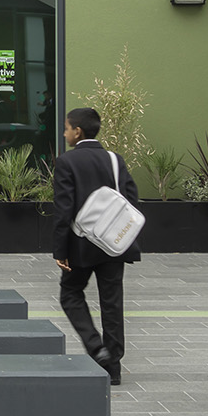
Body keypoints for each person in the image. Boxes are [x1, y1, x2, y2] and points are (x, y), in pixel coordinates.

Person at [52, 105, 141, 386]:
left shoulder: (67, 162)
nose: (64, 132)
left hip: (81, 246)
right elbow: (131, 199)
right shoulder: (115, 160)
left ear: (77, 131)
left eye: (66, 128)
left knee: (70, 293)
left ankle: (96, 347)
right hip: (114, 243)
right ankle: (113, 366)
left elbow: (63, 210)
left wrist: (60, 250)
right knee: (112, 302)